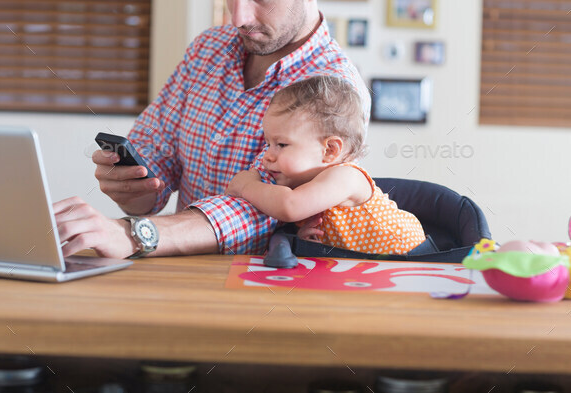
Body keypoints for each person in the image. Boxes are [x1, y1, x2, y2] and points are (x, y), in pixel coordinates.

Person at [53, 0, 371, 259]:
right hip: (171, 275)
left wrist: (135, 234)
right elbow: (155, 148)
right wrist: (133, 188)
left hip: (266, 288)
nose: (239, 17)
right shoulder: (209, 47)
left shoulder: (335, 89)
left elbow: (265, 209)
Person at [227, 76, 425, 254]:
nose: (267, 156)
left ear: (329, 150)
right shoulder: (305, 185)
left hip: (415, 257)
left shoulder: (345, 177)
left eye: (281, 144)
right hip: (367, 269)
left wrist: (247, 186)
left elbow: (290, 206)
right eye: (268, 144)